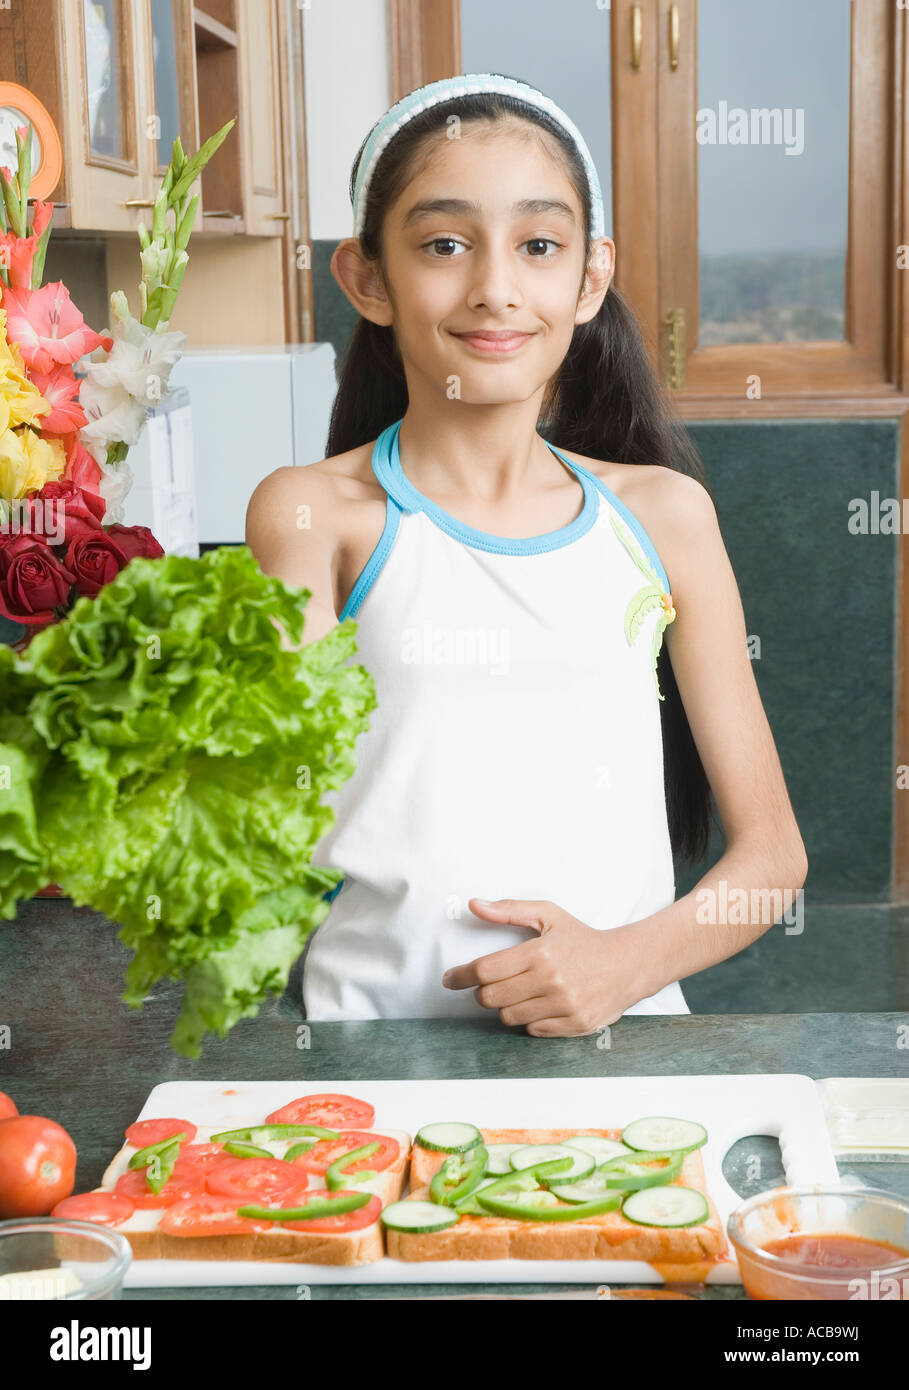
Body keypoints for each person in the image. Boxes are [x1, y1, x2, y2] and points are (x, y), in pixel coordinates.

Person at [246, 73, 807, 1033]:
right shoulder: (312, 516)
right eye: (444, 244)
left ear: (589, 279)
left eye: (538, 245)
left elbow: (772, 862)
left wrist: (622, 966)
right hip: (374, 1064)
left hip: (626, 1054)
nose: (495, 288)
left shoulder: (665, 515)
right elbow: (269, 826)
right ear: (367, 279)